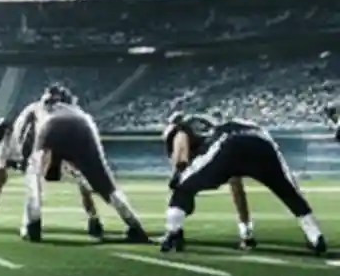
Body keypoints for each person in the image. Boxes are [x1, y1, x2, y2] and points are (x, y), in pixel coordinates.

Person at [161, 112, 326, 255]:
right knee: (288, 191)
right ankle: (315, 235)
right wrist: (246, 231)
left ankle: (173, 233)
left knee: (181, 187)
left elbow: (181, 153)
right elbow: (237, 188)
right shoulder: (213, 128)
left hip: (229, 142)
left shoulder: (182, 129)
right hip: (262, 141)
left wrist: (179, 176)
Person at [20, 85, 149, 244]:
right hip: (84, 126)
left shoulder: (37, 108)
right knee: (107, 186)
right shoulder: (76, 109)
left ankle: (33, 225)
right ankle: (135, 226)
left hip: (50, 127)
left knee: (33, 175)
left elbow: (25, 133)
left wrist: (25, 158)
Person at [0, 111, 106, 238]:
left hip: (48, 162)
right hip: (22, 163)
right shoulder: (3, 144)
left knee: (82, 181)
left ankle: (93, 217)